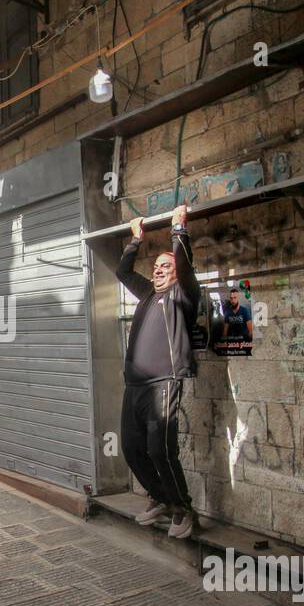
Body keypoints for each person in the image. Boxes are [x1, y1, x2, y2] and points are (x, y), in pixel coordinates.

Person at [115, 205, 202, 538]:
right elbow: (123, 272)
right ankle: (162, 498)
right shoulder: (148, 294)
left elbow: (185, 265)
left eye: (166, 266)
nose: (160, 270)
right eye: (156, 267)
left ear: (177, 272)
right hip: (134, 386)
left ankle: (183, 508)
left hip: (163, 383)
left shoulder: (183, 295)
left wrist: (179, 230)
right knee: (132, 448)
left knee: (160, 450)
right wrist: (136, 240)